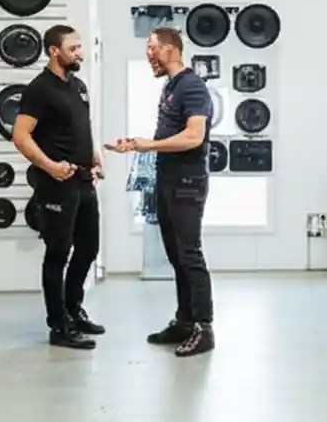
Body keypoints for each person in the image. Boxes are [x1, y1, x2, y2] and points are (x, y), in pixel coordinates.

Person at [106, 27, 215, 357]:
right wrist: (138, 145)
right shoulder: (172, 86)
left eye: (152, 48)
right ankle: (185, 321)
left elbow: (194, 136)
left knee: (190, 255)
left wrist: (148, 144)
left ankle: (204, 328)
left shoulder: (193, 86)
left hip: (187, 183)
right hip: (168, 180)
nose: (148, 54)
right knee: (176, 256)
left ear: (171, 49)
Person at [12, 24, 105, 350]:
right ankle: (58, 325)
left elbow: (82, 127)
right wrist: (49, 166)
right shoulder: (39, 89)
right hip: (56, 184)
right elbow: (20, 136)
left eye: (80, 47)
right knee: (58, 254)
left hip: (83, 179)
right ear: (54, 50)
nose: (79, 53)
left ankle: (73, 309)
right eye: (73, 48)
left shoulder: (78, 86)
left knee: (89, 248)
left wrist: (94, 155)